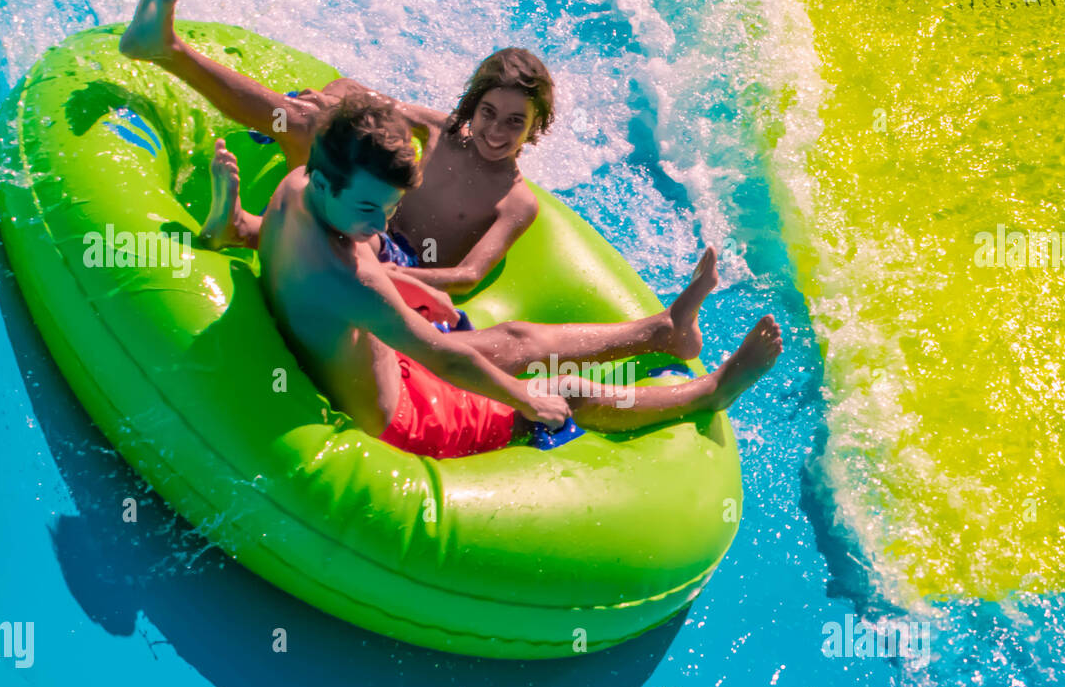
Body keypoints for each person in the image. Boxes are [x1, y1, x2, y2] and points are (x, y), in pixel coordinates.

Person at [195, 93, 781, 459]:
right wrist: (524, 398)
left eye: (390, 207)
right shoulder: (355, 281)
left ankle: (661, 330)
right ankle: (710, 390)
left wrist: (412, 283)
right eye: (370, 209)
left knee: (520, 340)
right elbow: (445, 360)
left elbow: (303, 252)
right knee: (560, 387)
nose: (382, 222)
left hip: (379, 352)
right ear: (328, 183)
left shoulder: (299, 189)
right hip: (406, 415)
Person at [119, 0, 554, 317]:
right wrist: (329, 102)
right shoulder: (441, 131)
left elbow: (467, 276)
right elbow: (357, 91)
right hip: (359, 220)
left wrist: (383, 274)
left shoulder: (516, 203)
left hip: (401, 272)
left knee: (342, 221)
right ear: (473, 107)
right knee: (304, 121)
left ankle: (244, 228)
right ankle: (166, 48)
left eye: (515, 122)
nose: (496, 131)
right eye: (488, 114)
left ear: (536, 125)